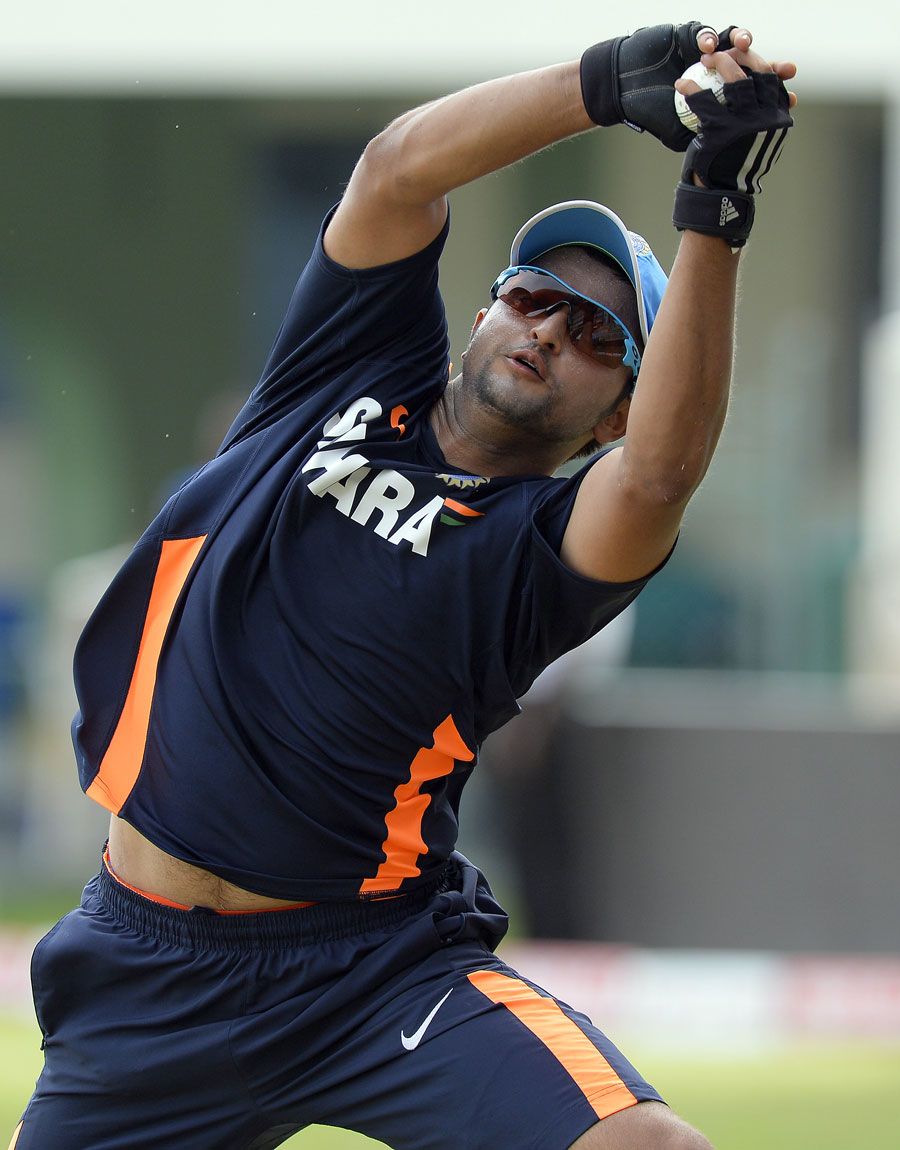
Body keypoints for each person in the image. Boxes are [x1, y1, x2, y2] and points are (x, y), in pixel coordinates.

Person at [10, 21, 796, 1150]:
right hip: (142, 968)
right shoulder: (345, 370)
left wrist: (714, 202)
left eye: (594, 335)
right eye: (533, 297)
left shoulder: (544, 544)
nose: (547, 332)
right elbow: (396, 170)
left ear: (614, 412)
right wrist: (609, 83)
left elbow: (667, 468)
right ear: (483, 307)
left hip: (369, 969)